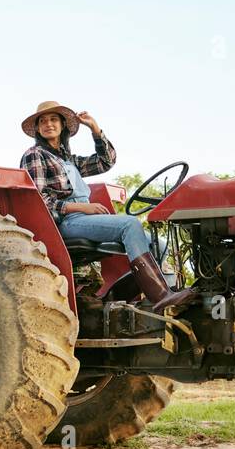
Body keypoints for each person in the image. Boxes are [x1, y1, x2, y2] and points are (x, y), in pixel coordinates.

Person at [19, 101, 196, 311]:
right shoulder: (34, 155)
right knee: (129, 225)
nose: (49, 124)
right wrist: (80, 208)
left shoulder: (68, 159)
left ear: (63, 125)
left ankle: (117, 297)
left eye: (54, 119)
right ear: (38, 129)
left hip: (86, 218)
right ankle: (160, 296)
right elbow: (39, 201)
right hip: (66, 222)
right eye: (43, 121)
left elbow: (106, 161)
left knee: (160, 243)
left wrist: (95, 129)